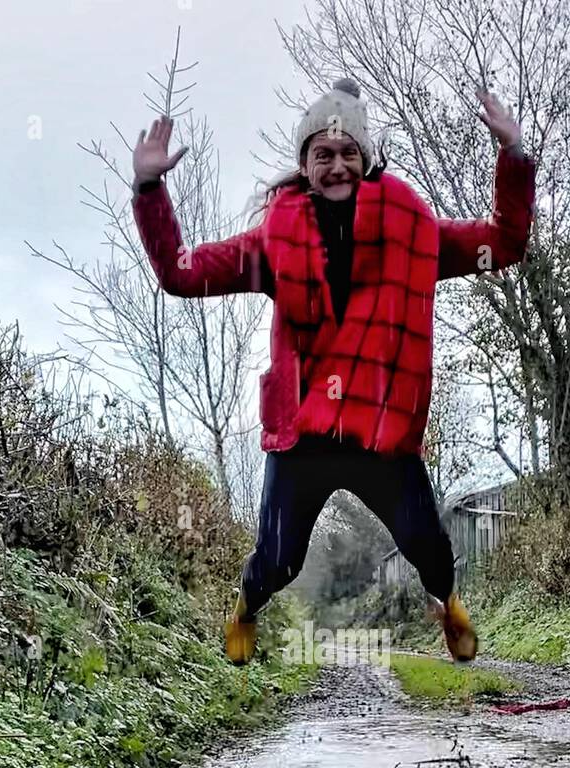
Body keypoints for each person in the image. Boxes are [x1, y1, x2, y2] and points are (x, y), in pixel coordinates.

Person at [132, 79, 535, 665]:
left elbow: (504, 242)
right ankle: (246, 605)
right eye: (324, 154)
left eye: (349, 153)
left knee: (429, 543)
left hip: (380, 426)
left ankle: (447, 603)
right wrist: (149, 188)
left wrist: (514, 156)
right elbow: (180, 271)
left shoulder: (413, 230)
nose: (338, 165)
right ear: (305, 164)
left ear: (366, 161)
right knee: (278, 558)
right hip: (306, 432)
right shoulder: (273, 242)